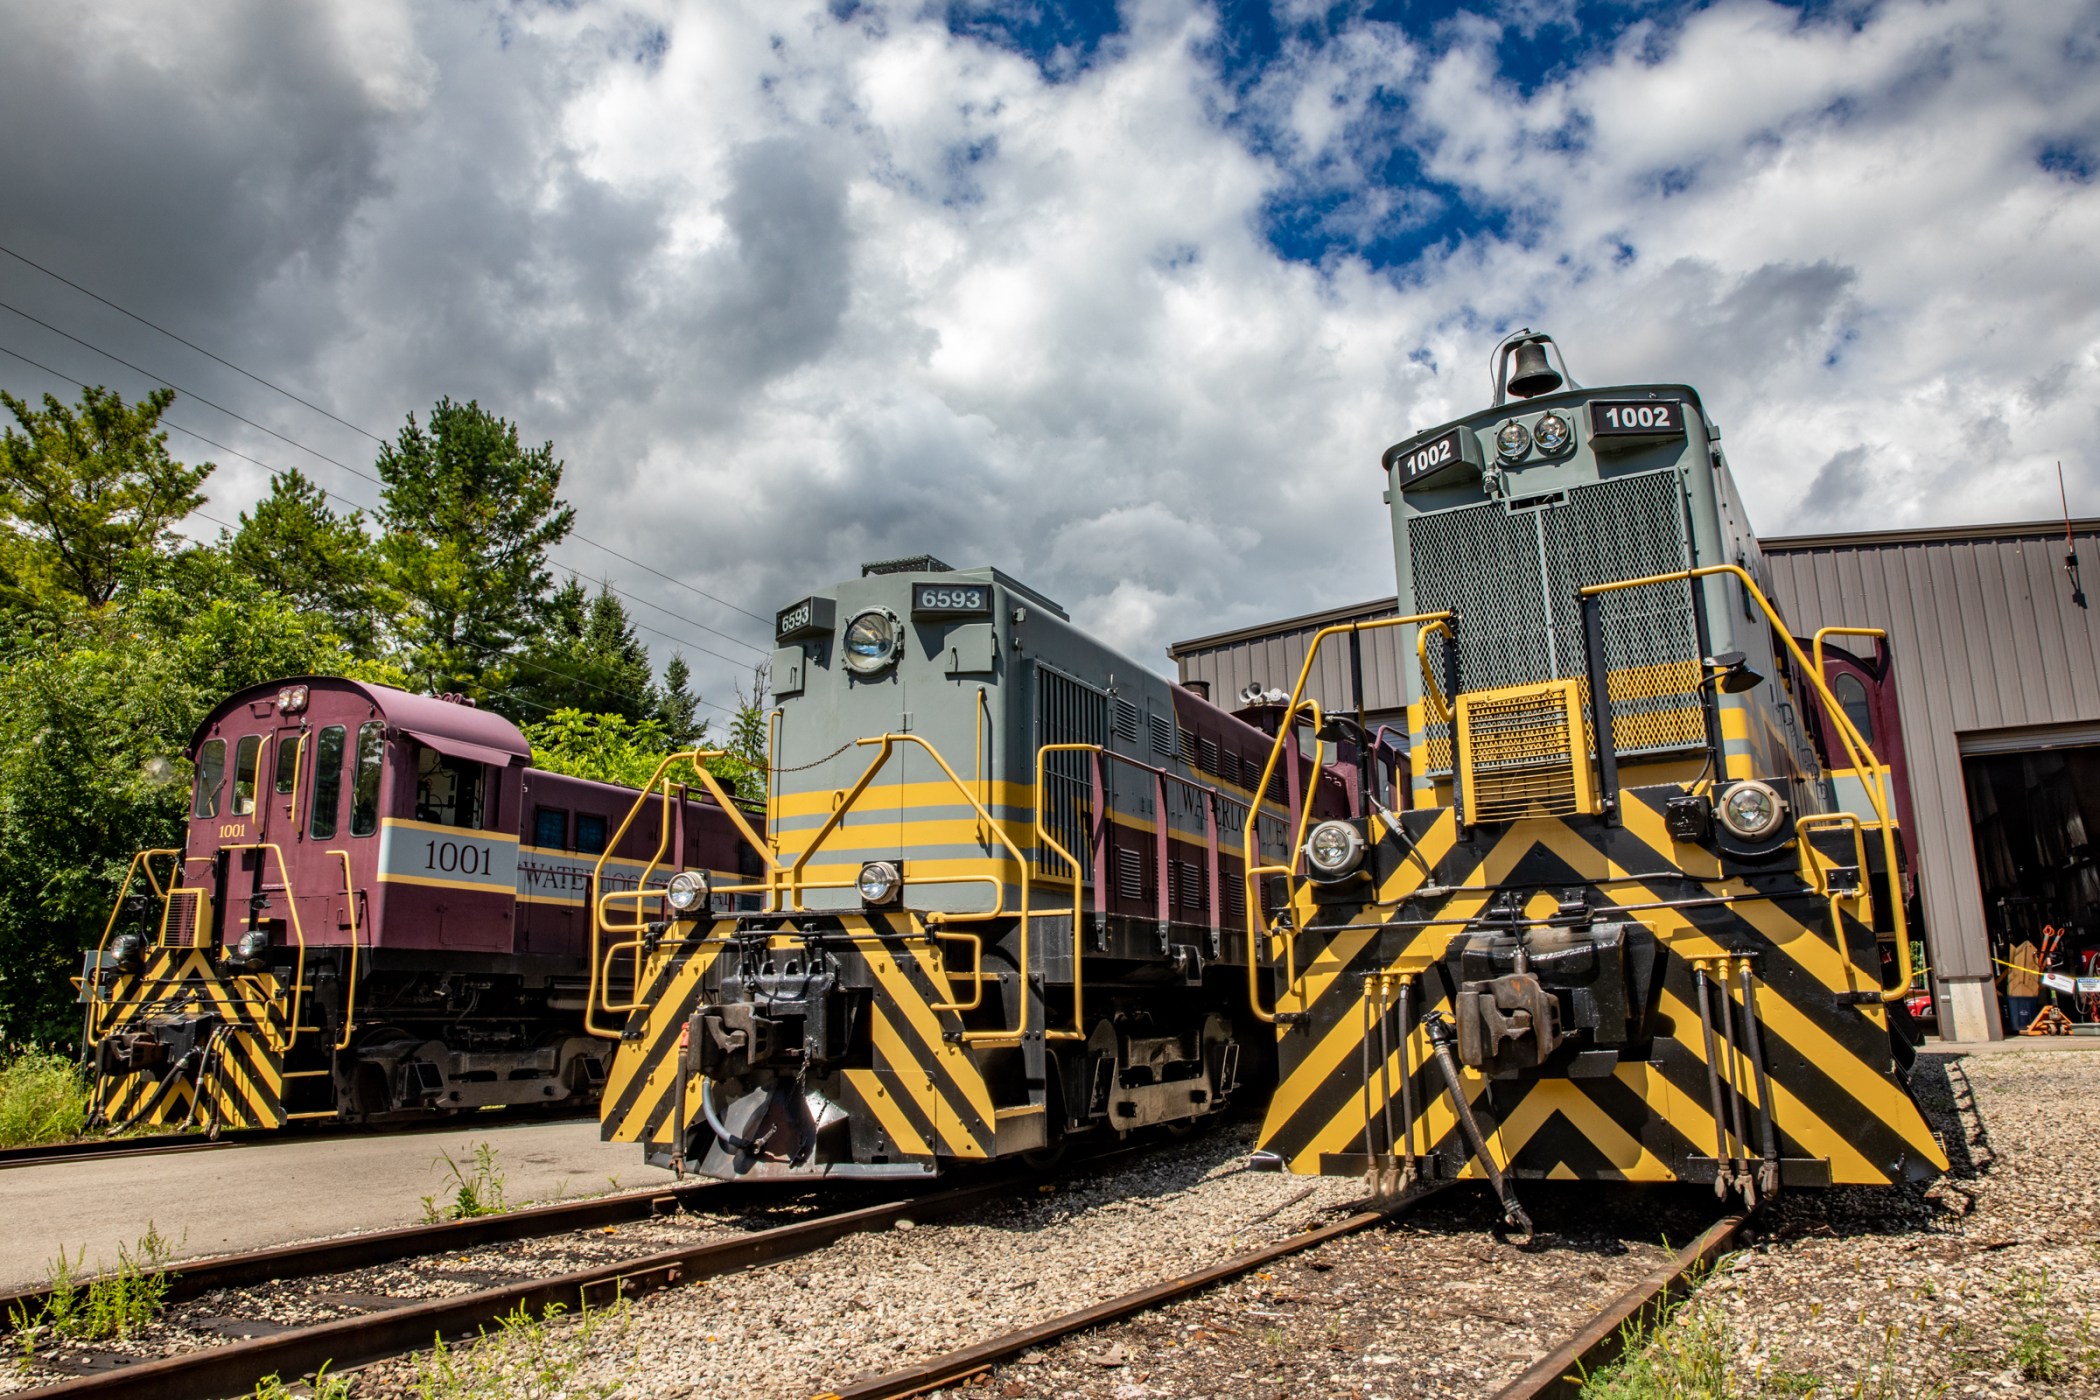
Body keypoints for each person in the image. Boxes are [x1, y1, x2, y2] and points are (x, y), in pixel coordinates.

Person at [2004, 936, 2042, 1034]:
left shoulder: (2030, 955)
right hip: (2020, 991)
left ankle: (2025, 1023)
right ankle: (2022, 1024)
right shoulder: (2020, 956)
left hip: (2026, 991)